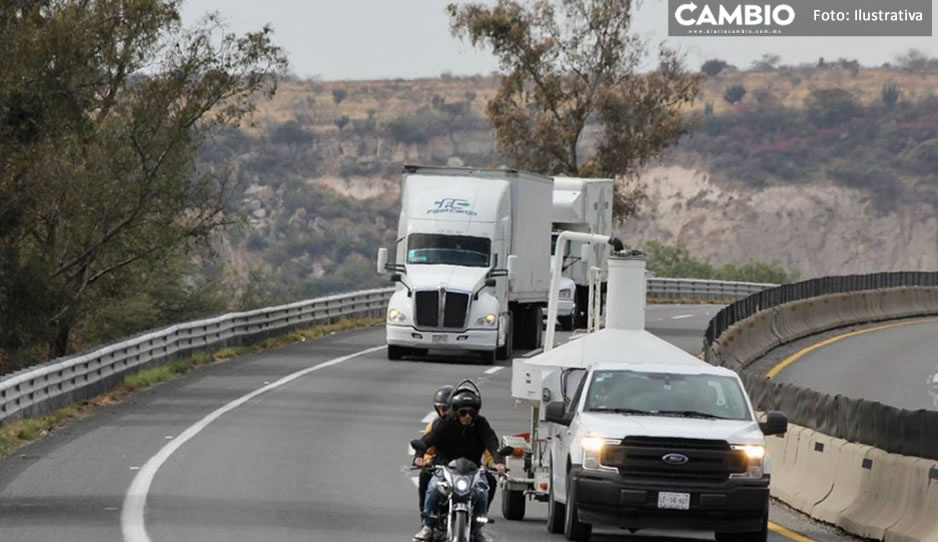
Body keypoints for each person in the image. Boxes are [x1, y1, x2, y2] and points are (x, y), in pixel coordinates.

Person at [412, 382, 506, 542]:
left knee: (484, 490)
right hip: (444, 468)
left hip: (473, 470)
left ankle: (479, 528)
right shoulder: (444, 423)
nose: (467, 416)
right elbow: (428, 440)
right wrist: (419, 455)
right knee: (433, 487)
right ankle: (427, 526)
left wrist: (498, 462)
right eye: (463, 412)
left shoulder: (481, 424)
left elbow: (492, 442)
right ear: (455, 411)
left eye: (471, 412)